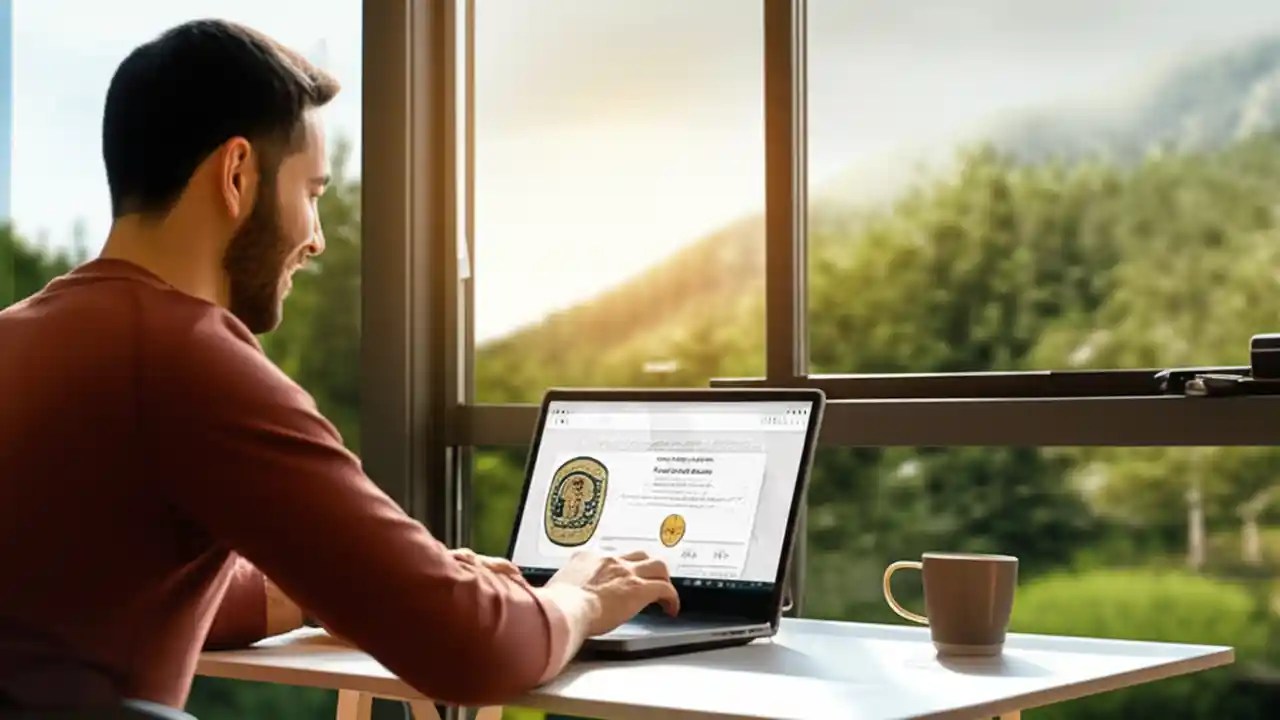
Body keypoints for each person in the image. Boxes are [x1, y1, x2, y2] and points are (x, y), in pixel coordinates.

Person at [0, 18, 679, 715]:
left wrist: (338, 584)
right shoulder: (189, 358)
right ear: (237, 175)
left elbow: (90, 582)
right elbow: (470, 652)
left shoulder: (22, 339)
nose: (316, 238)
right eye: (313, 192)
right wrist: (580, 594)